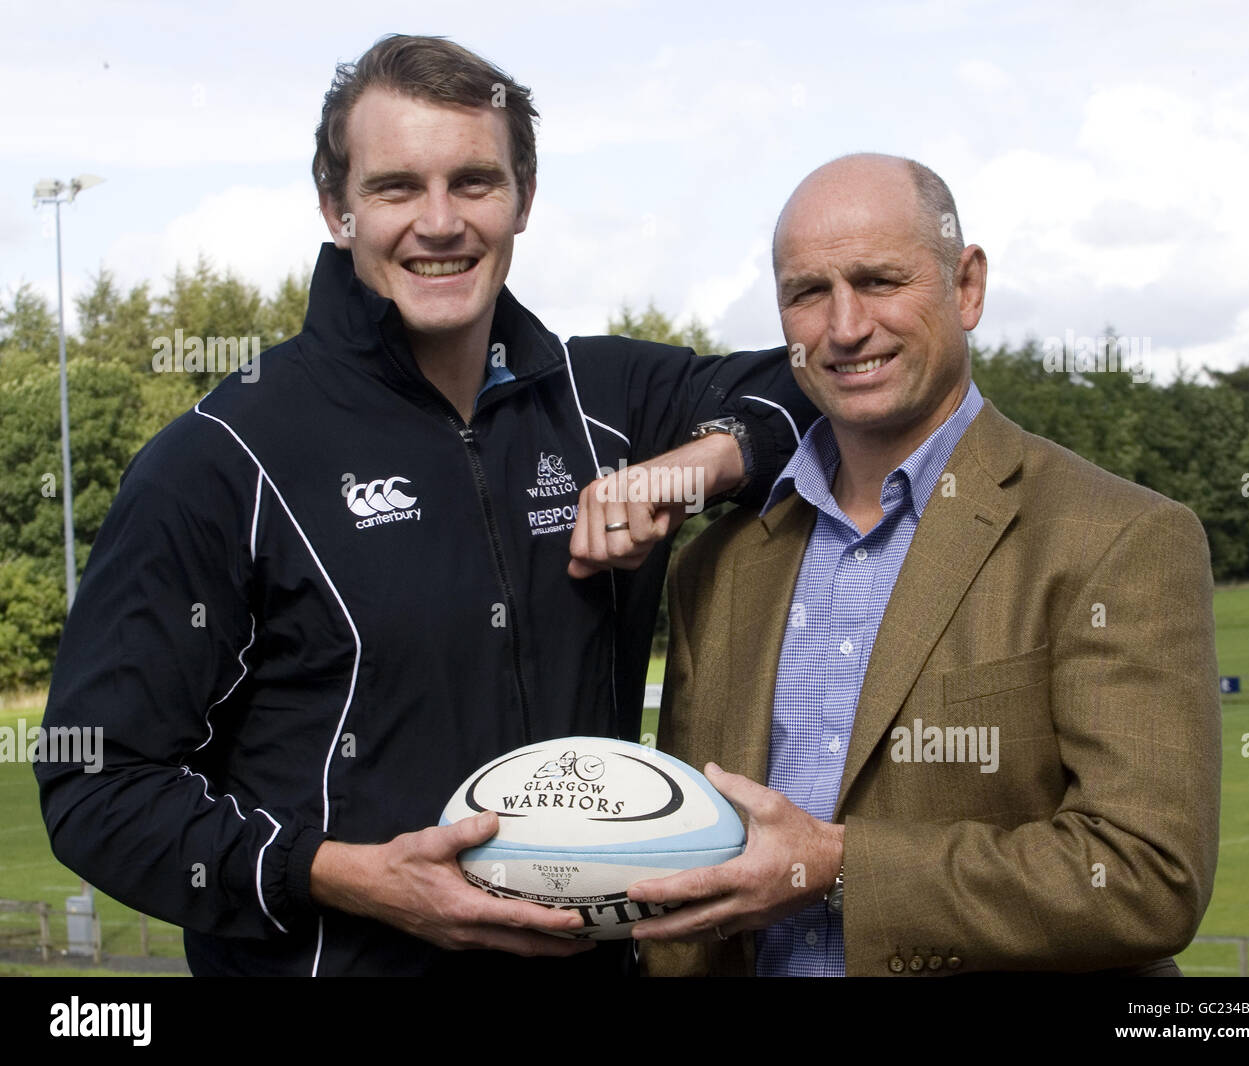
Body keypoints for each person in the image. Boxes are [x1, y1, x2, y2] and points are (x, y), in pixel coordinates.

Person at [34, 35, 815, 977]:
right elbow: (96, 785)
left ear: (524, 196)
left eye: (475, 182)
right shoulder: (219, 457)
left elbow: (821, 375)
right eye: (397, 187)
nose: (439, 223)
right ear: (337, 207)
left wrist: (687, 470)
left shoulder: (598, 398)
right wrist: (340, 876)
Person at [630, 153, 1221, 976]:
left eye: (879, 280)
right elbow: (691, 877)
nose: (844, 327)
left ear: (967, 286)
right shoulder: (716, 569)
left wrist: (836, 867)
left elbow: (1146, 876)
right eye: (808, 293)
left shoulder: (1119, 538)